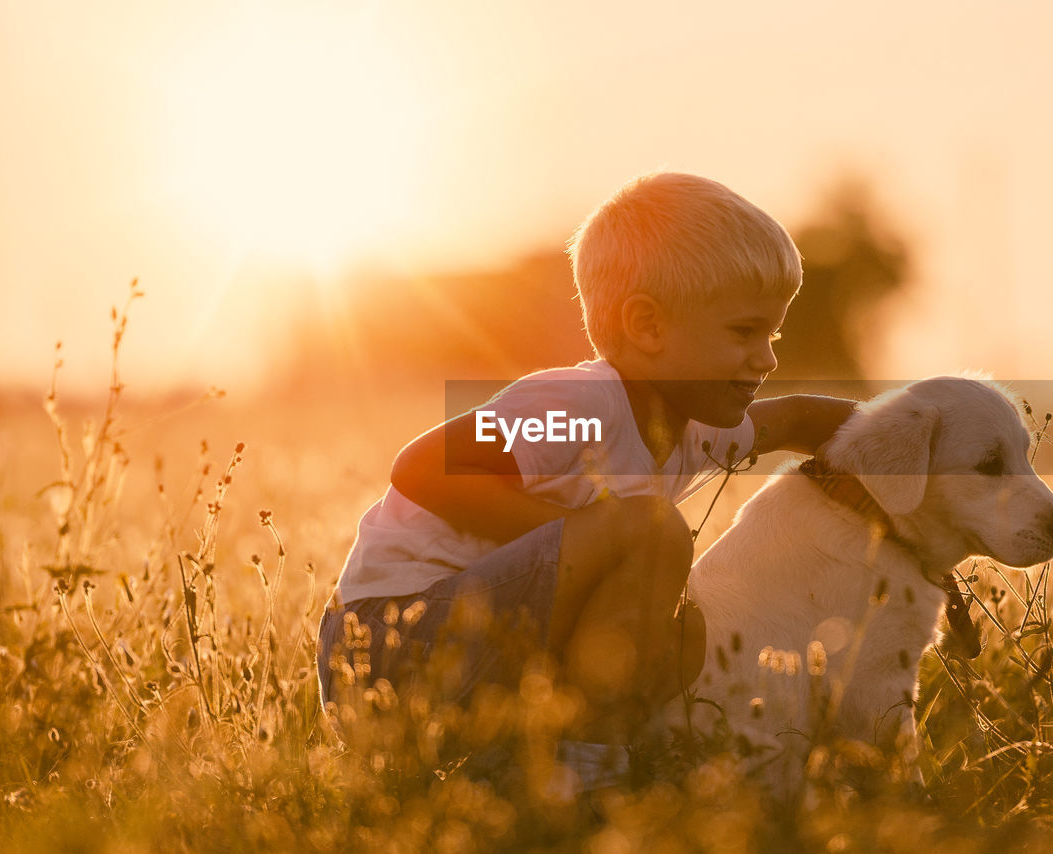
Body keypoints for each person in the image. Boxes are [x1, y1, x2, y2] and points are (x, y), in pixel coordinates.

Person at [317, 172, 855, 789]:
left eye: (774, 333)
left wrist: (905, 440)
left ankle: (542, 766)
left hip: (472, 654)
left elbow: (797, 419)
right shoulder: (575, 408)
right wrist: (586, 538)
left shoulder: (699, 427)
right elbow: (424, 464)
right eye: (743, 332)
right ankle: (585, 776)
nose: (768, 358)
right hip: (387, 647)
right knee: (648, 533)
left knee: (685, 635)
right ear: (648, 327)